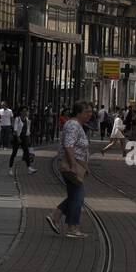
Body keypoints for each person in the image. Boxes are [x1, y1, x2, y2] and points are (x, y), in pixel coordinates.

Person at [50, 102, 93, 237]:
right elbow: (69, 145)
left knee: (75, 196)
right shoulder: (73, 125)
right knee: (78, 197)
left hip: (76, 165)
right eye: (87, 111)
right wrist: (74, 165)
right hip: (71, 166)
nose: (90, 114)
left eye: (91, 112)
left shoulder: (76, 125)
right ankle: (72, 227)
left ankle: (55, 217)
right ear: (78, 113)